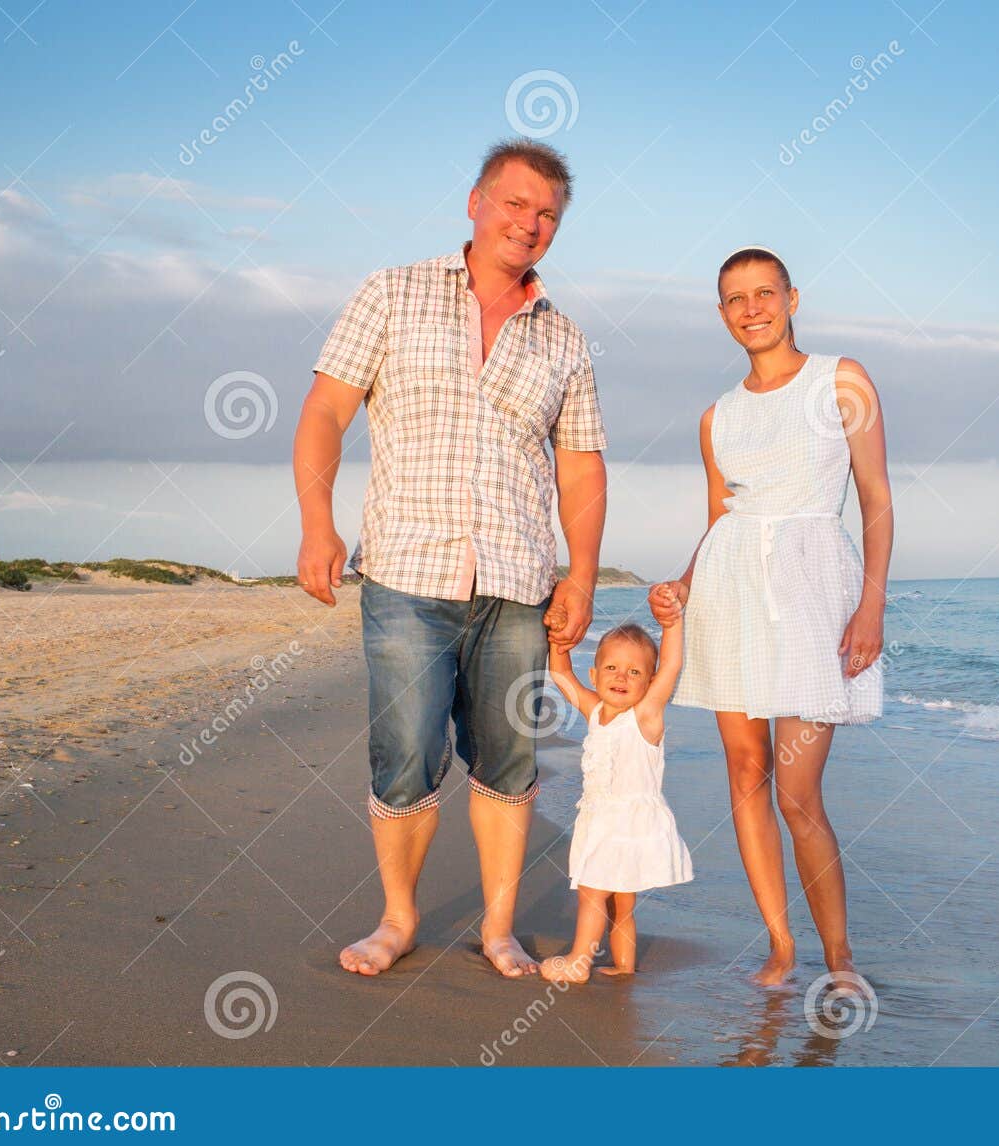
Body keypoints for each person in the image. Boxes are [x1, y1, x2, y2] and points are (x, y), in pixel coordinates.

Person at [292, 138, 608, 979]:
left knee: (509, 758)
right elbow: (326, 410)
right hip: (406, 573)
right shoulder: (391, 294)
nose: (529, 223)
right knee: (403, 754)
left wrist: (580, 573)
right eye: (516, 203)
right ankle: (398, 919)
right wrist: (316, 523)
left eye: (547, 214)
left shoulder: (565, 338)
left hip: (517, 583)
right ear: (475, 201)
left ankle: (499, 926)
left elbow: (580, 466)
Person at [650, 246, 892, 990]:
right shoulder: (716, 417)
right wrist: (683, 586)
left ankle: (840, 957)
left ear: (792, 297)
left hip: (814, 593)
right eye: (734, 298)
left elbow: (876, 499)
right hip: (728, 594)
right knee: (746, 772)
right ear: (721, 313)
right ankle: (782, 947)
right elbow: (722, 517)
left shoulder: (841, 380)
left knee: (796, 790)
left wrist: (872, 601)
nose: (751, 308)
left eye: (764, 293)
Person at [538, 606, 694, 984]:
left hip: (623, 826)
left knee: (593, 891)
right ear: (594, 675)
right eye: (611, 668)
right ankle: (624, 966)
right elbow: (559, 673)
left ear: (650, 683)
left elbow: (671, 666)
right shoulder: (595, 711)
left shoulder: (645, 717)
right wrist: (559, 637)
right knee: (620, 905)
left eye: (635, 672)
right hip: (604, 822)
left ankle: (578, 960)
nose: (621, 677)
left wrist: (671, 624)